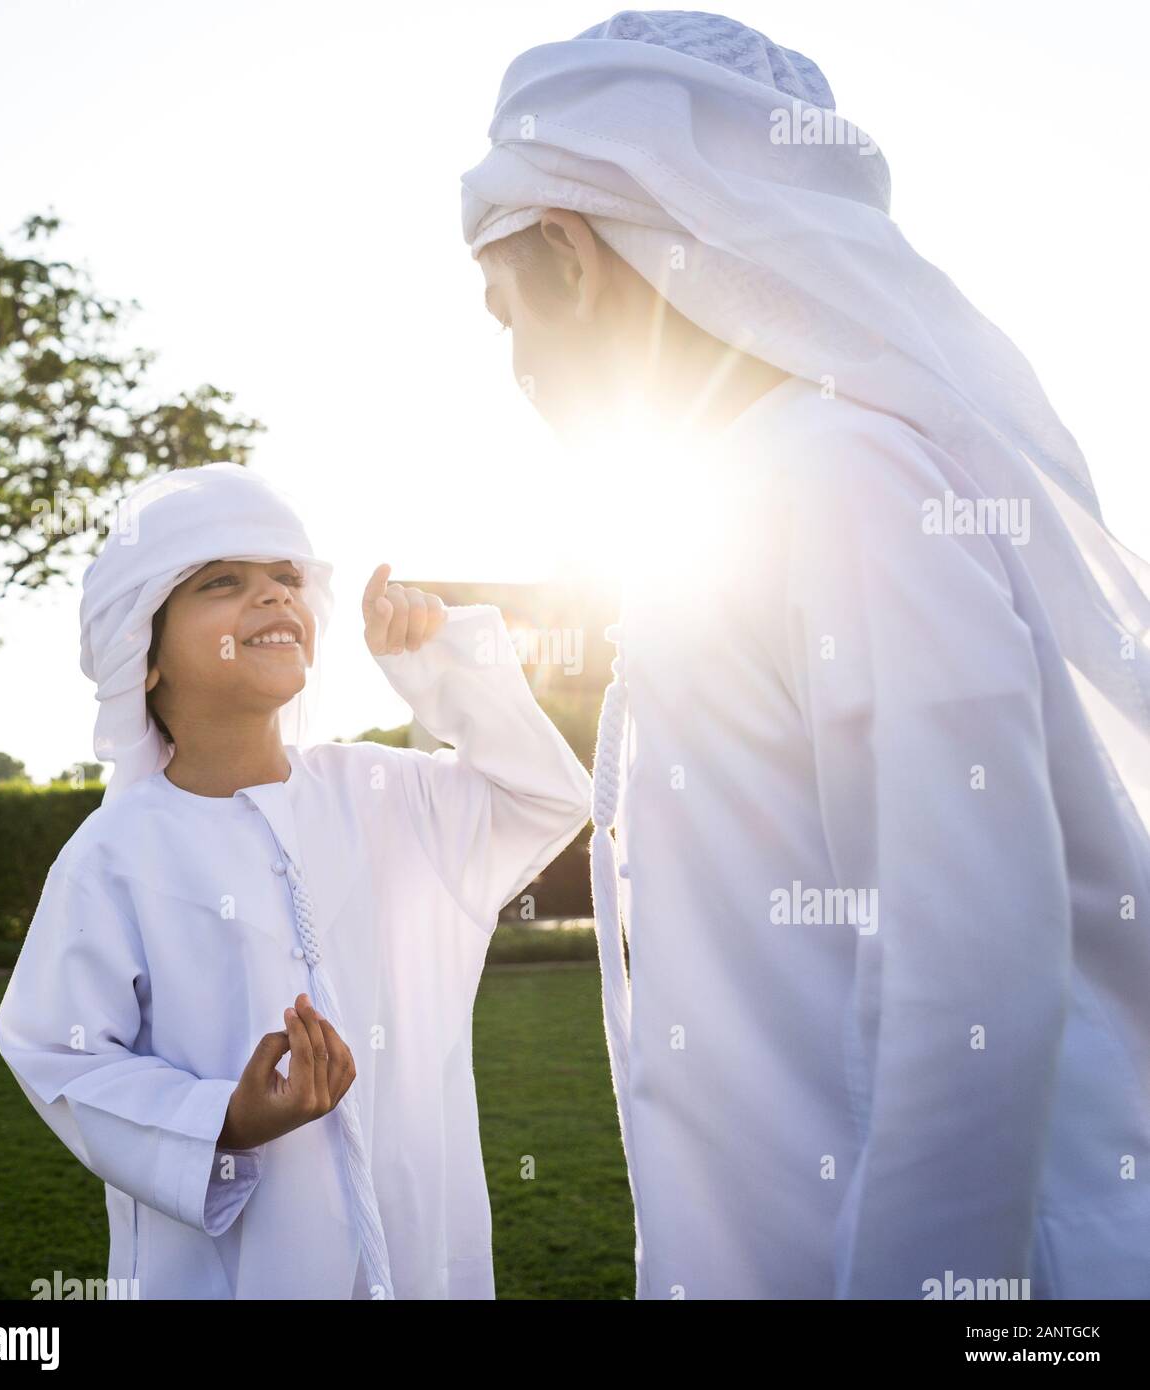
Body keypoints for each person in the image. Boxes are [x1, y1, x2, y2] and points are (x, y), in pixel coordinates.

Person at [461, 11, 1150, 1299]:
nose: (512, 363)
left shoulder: (843, 484)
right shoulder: (752, 496)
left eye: (504, 310)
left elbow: (972, 985)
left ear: (569, 252)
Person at [0, 462, 592, 1299]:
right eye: (223, 582)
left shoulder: (389, 793)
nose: (276, 597)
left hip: (424, 1257)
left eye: (287, 577)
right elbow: (57, 1052)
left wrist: (439, 666)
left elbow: (549, 796)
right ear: (143, 649)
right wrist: (226, 1122)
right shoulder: (114, 855)